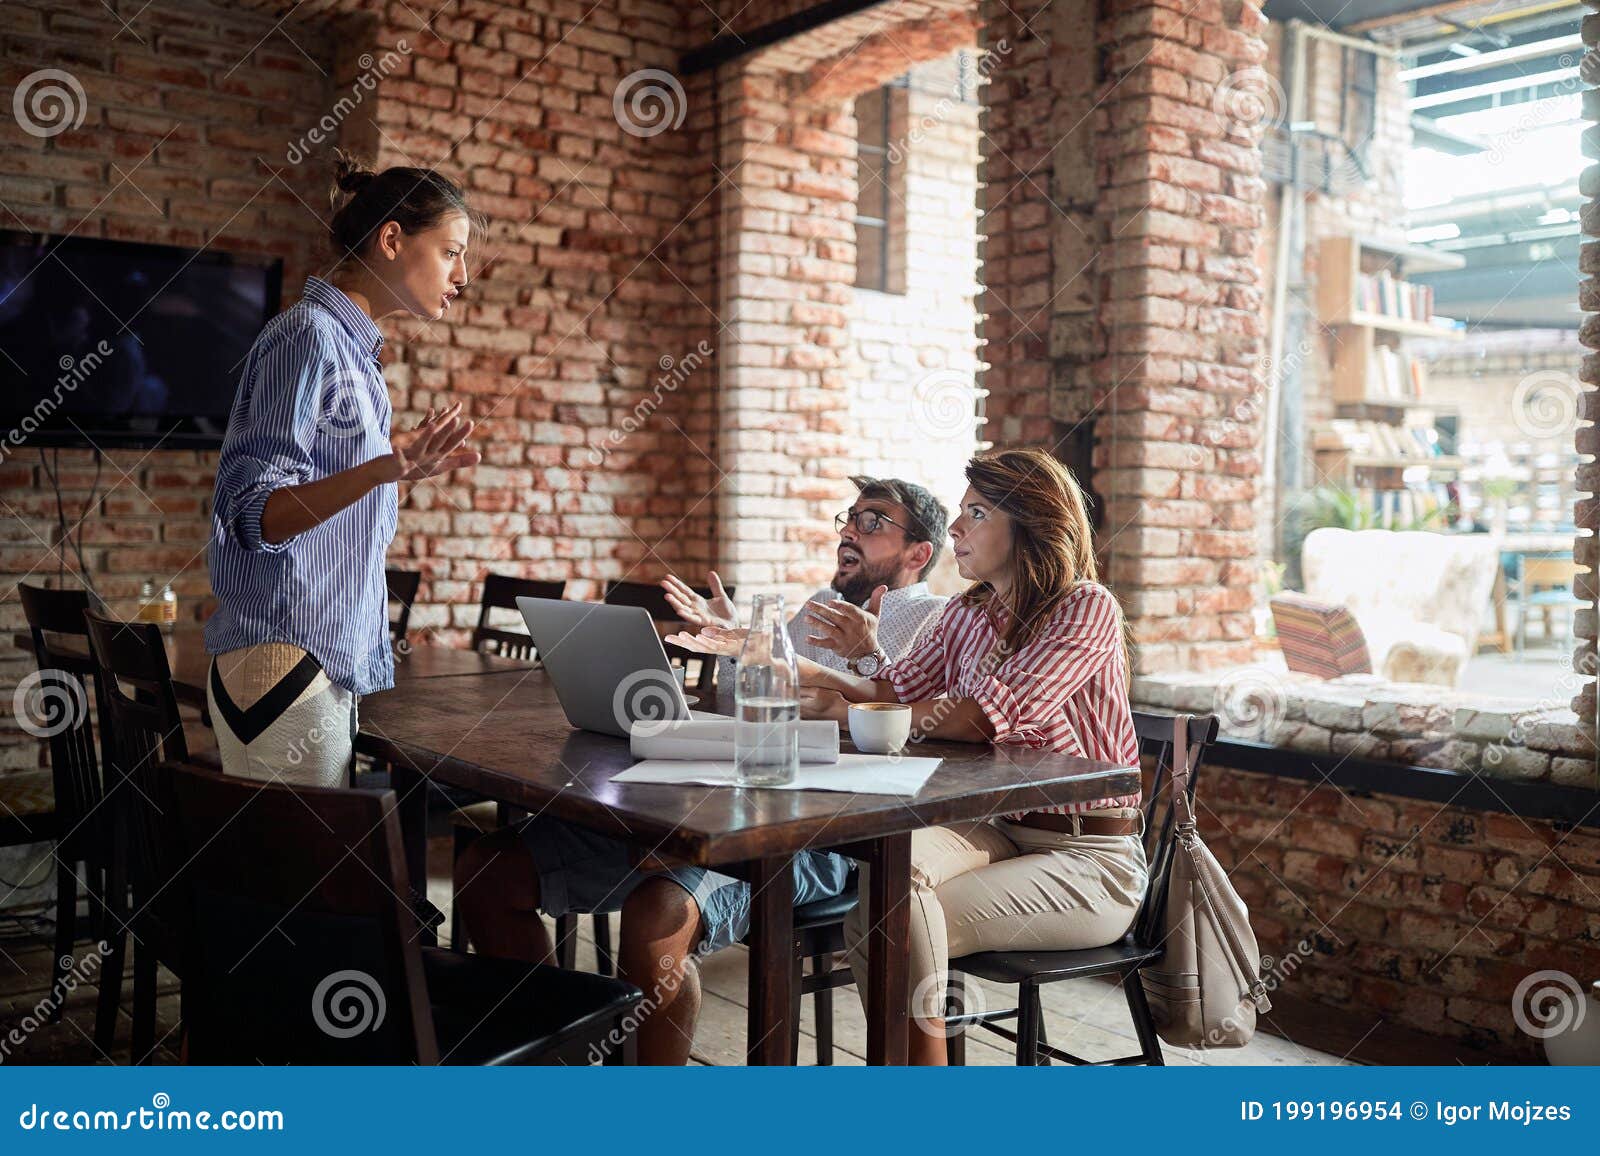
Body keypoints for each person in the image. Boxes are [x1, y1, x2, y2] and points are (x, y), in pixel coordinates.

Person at [452, 475, 950, 1064]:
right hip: (730, 801)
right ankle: (561, 1067)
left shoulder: (934, 621)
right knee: (490, 870)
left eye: (872, 522)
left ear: (918, 553)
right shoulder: (820, 603)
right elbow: (745, 696)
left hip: (821, 836)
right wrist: (736, 641)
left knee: (657, 913)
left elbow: (909, 729)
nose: (849, 532)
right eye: (850, 517)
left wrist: (867, 659)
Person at [791, 448, 1145, 1065]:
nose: (956, 527)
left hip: (1089, 855)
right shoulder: (966, 612)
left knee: (889, 920)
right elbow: (897, 690)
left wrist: (843, 712)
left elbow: (982, 715)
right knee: (888, 876)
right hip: (999, 831)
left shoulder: (1085, 607)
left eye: (977, 513)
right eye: (961, 512)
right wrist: (814, 677)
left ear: (1033, 523)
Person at [205, 151, 484, 787]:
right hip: (284, 666)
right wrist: (380, 468)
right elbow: (256, 515)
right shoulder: (308, 335)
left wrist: (392, 466)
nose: (463, 275)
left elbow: (321, 487)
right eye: (451, 252)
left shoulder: (353, 353)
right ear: (392, 240)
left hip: (309, 666)